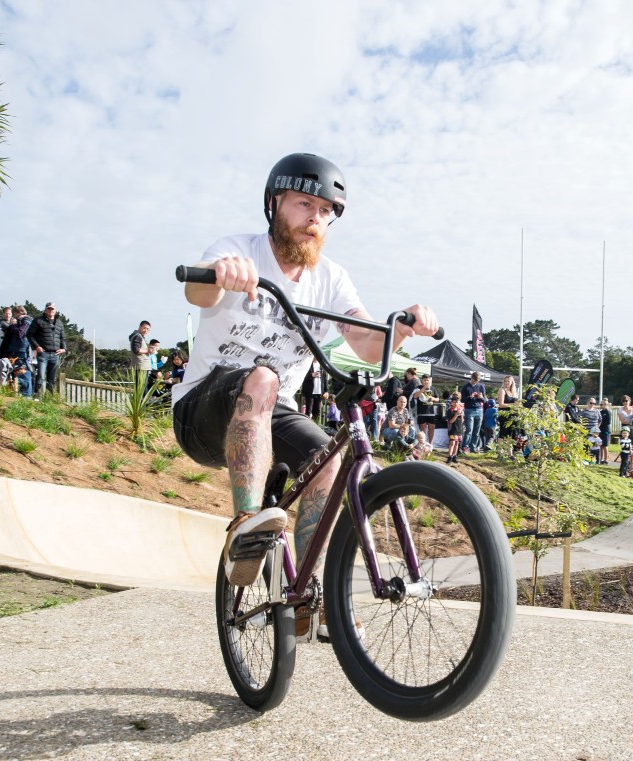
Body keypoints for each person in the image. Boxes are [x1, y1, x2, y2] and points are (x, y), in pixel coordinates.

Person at [174, 153, 439, 602]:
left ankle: (302, 593)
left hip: (272, 412)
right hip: (204, 407)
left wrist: (403, 327)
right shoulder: (239, 249)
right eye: (303, 205)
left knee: (327, 461)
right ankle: (245, 529)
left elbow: (366, 343)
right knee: (262, 377)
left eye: (325, 212)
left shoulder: (332, 279)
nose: (314, 219)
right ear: (275, 203)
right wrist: (222, 276)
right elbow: (198, 291)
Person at [29, 303, 67, 396]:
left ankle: (50, 398)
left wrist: (64, 348)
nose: (51, 311)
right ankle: (36, 395)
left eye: (53, 309)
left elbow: (62, 338)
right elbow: (29, 334)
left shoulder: (59, 323)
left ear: (55, 310)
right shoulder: (38, 321)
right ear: (45, 310)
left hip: (55, 354)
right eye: (49, 309)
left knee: (51, 378)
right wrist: (36, 346)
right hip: (43, 353)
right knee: (40, 376)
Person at [460, 370, 487, 453]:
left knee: (477, 430)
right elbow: (462, 400)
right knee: (469, 430)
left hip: (479, 409)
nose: (475, 382)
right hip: (469, 410)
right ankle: (464, 447)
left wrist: (480, 397)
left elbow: (484, 400)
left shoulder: (481, 386)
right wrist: (470, 397)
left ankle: (474, 447)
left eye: (477, 381)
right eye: (474, 380)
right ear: (471, 378)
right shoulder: (466, 387)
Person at [410, 374, 439, 443]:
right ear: (421, 380)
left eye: (428, 380)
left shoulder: (433, 388)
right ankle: (423, 443)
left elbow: (438, 399)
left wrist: (433, 398)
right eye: (425, 380)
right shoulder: (418, 388)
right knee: (423, 428)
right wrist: (423, 388)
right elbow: (415, 396)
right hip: (421, 412)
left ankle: (430, 443)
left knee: (432, 427)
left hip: (431, 412)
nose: (426, 381)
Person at [128, 320, 152, 386]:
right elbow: (136, 350)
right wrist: (148, 351)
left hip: (141, 366)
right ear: (140, 327)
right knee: (142, 388)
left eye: (148, 329)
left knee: (141, 387)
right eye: (144, 328)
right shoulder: (137, 336)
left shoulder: (139, 336)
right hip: (141, 366)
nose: (146, 330)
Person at [444, 392, 464, 464]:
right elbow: (451, 421)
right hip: (452, 429)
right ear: (451, 402)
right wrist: (456, 414)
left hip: (459, 429)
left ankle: (454, 456)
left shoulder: (459, 410)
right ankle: (449, 456)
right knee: (452, 442)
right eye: (454, 402)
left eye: (457, 402)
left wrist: (461, 415)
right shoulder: (450, 411)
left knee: (457, 443)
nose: (456, 404)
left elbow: (462, 421)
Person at [597, 398, 612, 464]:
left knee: (605, 445)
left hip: (606, 430)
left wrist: (600, 424)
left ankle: (605, 460)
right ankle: (601, 459)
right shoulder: (600, 412)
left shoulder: (608, 412)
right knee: (601, 445)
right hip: (600, 430)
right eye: (603, 404)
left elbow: (608, 422)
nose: (605, 405)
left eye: (606, 404)